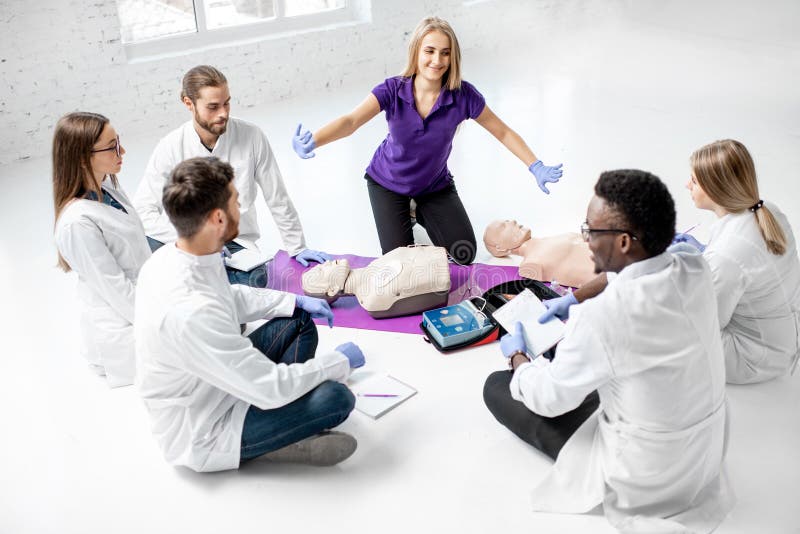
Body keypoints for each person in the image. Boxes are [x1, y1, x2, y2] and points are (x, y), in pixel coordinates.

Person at [483, 170, 733, 532]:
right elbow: (634, 272)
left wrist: (518, 356)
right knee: (587, 370)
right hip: (704, 453)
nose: (586, 241)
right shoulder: (694, 266)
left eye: (591, 232)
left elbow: (548, 400)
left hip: (646, 475)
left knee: (498, 387)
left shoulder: (603, 316)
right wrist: (573, 297)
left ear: (625, 243)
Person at [135, 157, 364, 472]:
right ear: (218, 218)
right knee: (336, 398)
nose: (239, 208)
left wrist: (293, 300)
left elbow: (225, 296)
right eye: (236, 202)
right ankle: (277, 439)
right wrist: (339, 363)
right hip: (207, 429)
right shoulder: (190, 313)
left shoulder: (174, 257)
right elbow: (268, 386)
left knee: (298, 322)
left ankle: (281, 418)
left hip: (218, 377)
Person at [292, 16, 563, 265]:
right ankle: (407, 213)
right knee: (401, 264)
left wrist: (535, 165)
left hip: (434, 185)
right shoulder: (392, 89)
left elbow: (502, 131)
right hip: (387, 184)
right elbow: (351, 121)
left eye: (445, 53)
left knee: (463, 253)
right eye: (430, 51)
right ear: (416, 53)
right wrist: (315, 140)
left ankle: (419, 211)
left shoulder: (463, 95)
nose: (437, 60)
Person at [134, 65, 330, 288]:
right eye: (213, 107)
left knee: (255, 280)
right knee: (145, 253)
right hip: (184, 241)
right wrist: (193, 240)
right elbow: (143, 211)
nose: (223, 113)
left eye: (226, 103)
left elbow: (277, 196)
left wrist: (297, 247)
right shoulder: (170, 147)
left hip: (234, 244)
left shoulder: (252, 136)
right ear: (188, 103)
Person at [673, 139, 800, 384]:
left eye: (695, 180)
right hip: (784, 337)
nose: (687, 184)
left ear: (715, 188)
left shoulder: (726, 257)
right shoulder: (768, 211)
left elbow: (707, 323)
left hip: (753, 358)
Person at [53, 112, 151, 387]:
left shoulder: (107, 189)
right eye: (112, 146)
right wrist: (166, 321)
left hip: (144, 301)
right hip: (123, 333)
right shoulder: (77, 224)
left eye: (118, 141)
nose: (123, 151)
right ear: (83, 156)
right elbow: (117, 291)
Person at [301, 245, 451, 318]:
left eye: (319, 266)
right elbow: (439, 280)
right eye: (320, 271)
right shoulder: (373, 300)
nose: (323, 264)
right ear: (332, 289)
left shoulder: (374, 267)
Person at [483, 219, 595, 288]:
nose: (513, 221)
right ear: (500, 248)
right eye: (503, 226)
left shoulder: (547, 240)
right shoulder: (530, 265)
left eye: (507, 221)